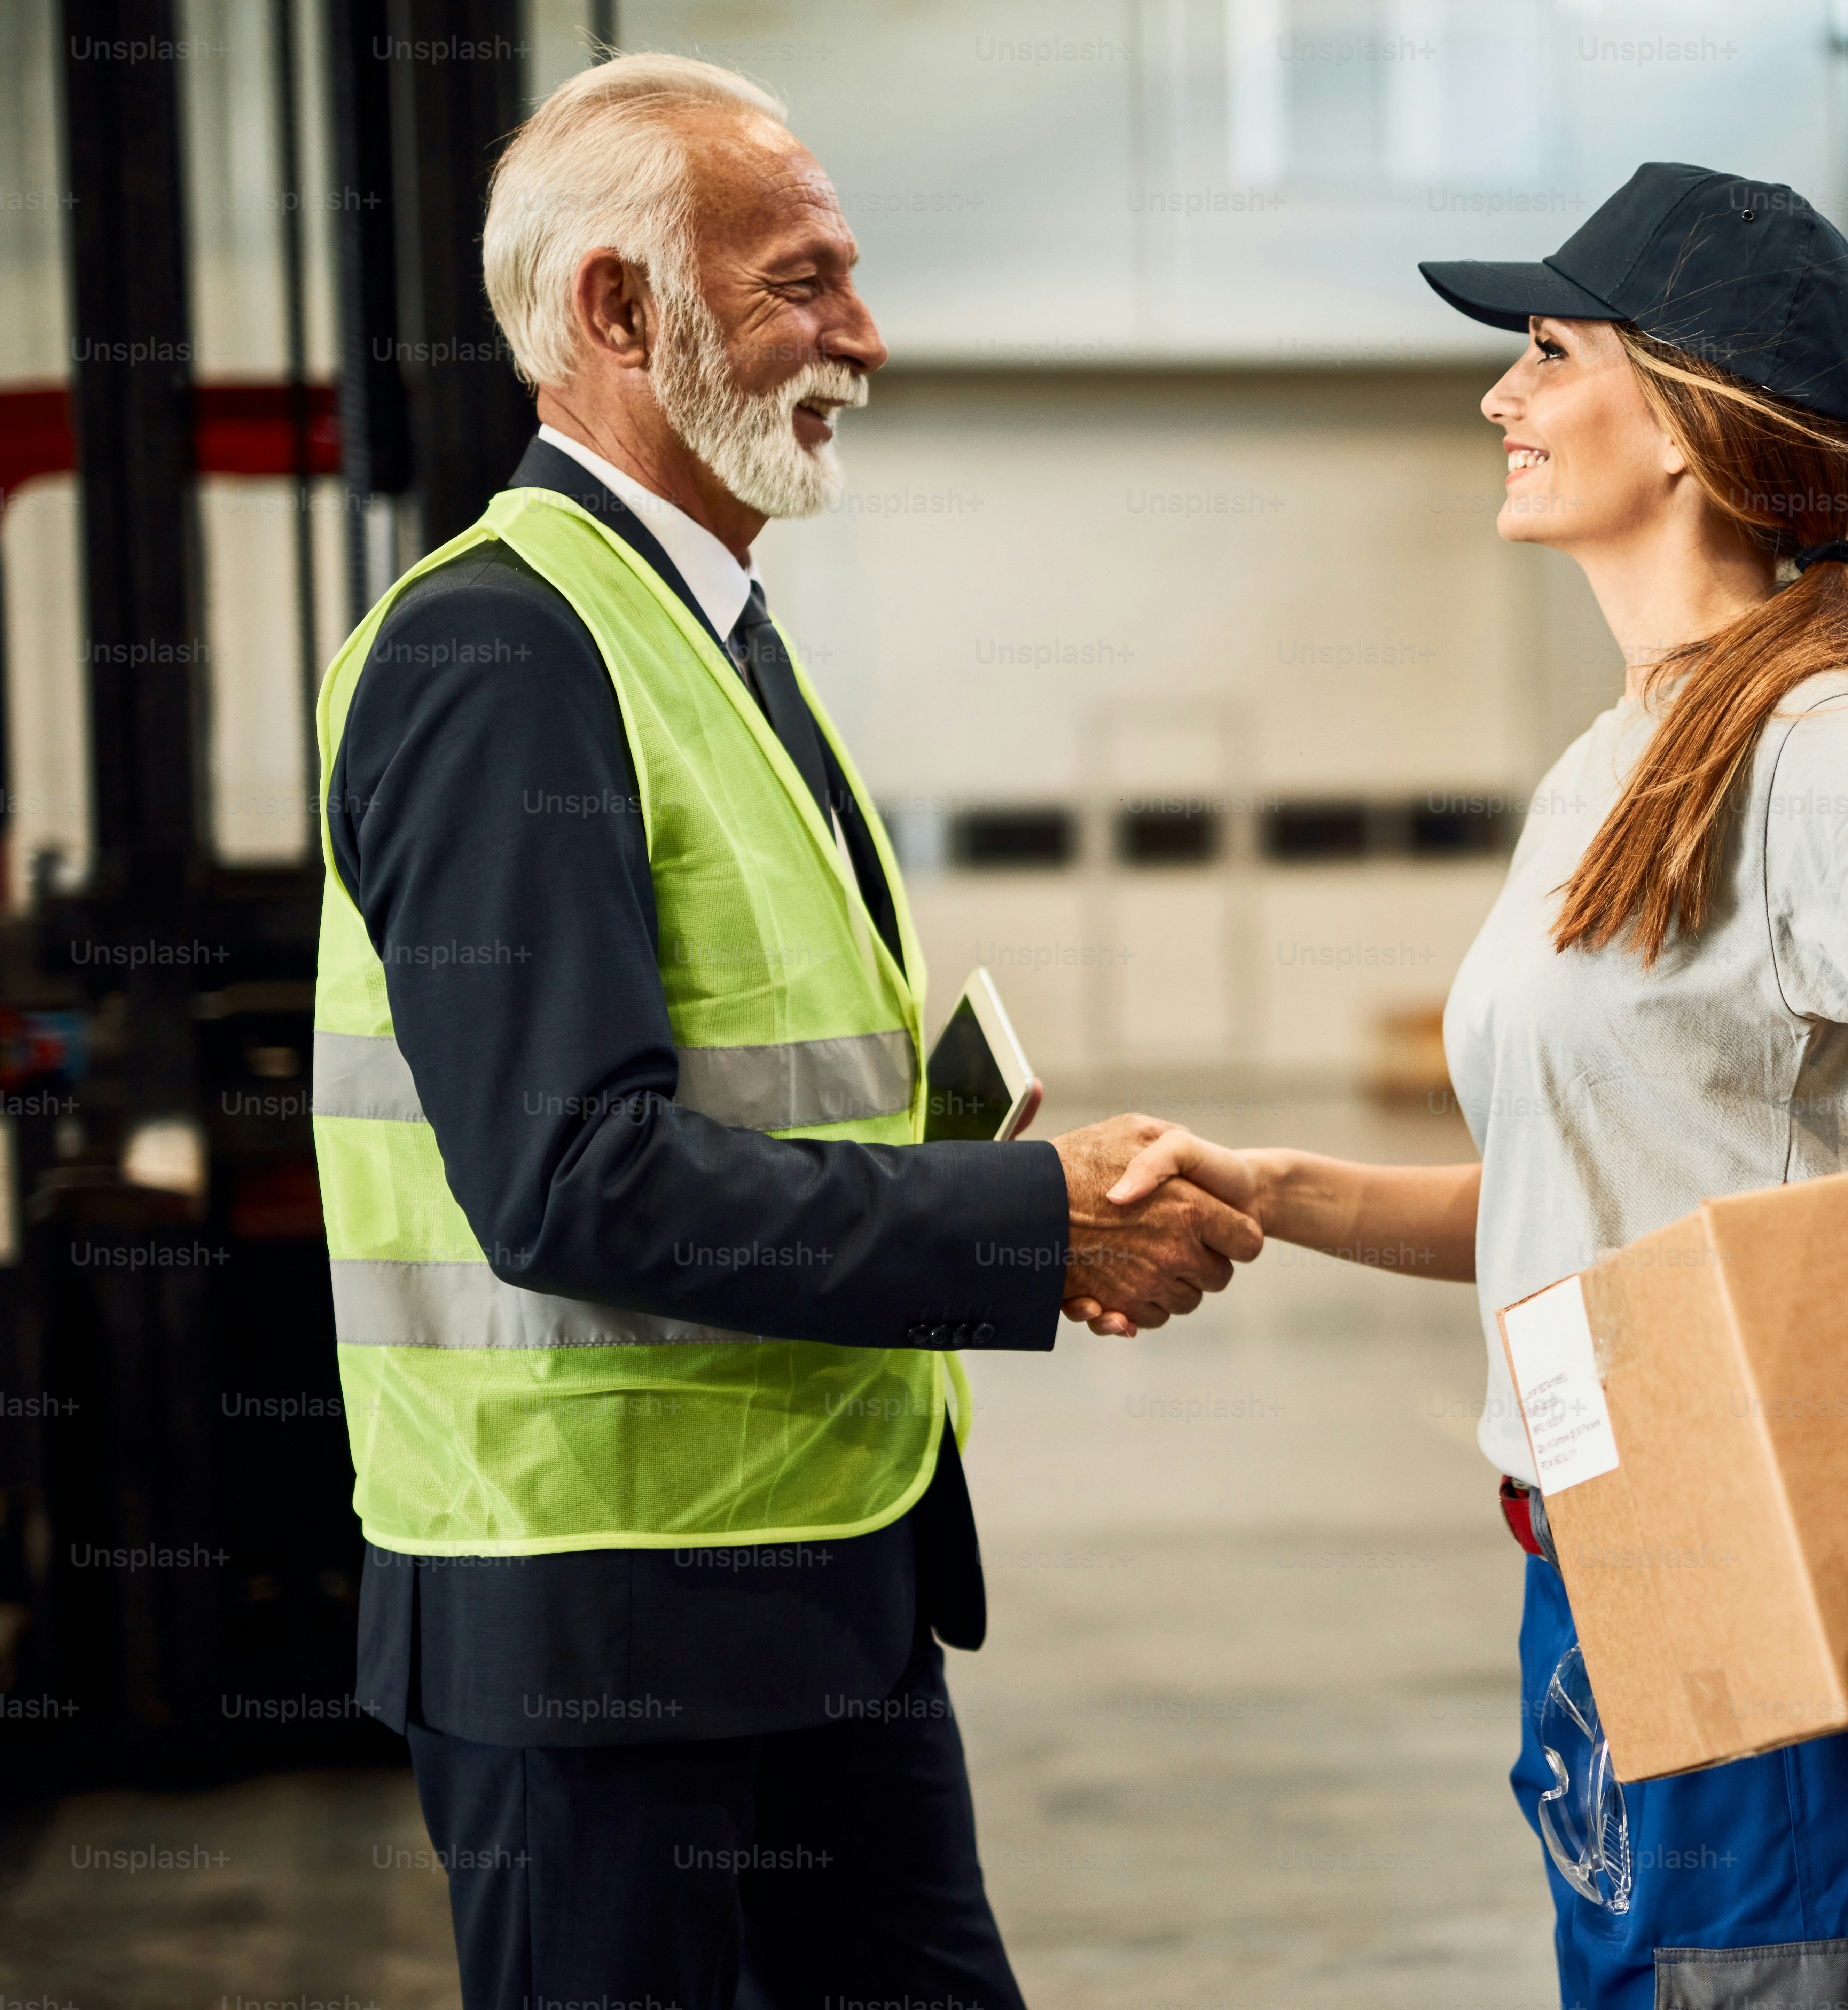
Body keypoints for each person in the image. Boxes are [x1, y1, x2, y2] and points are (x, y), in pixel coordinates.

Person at [1080, 163, 1848, 2010]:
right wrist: (1278, 1189)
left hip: (1766, 1566)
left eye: (1545, 352)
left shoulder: (1817, 753)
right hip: (1604, 1569)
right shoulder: (1628, 753)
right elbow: (1591, 1197)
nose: (1498, 398)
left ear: (1686, 420)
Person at [311, 55, 1254, 2009]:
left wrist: (976, 1171)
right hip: (611, 1638)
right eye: (802, 280)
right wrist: (1023, 1225)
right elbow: (569, 1180)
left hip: (810, 1583)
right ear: (614, 311)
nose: (864, 333)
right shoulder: (500, 652)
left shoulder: (708, 623)